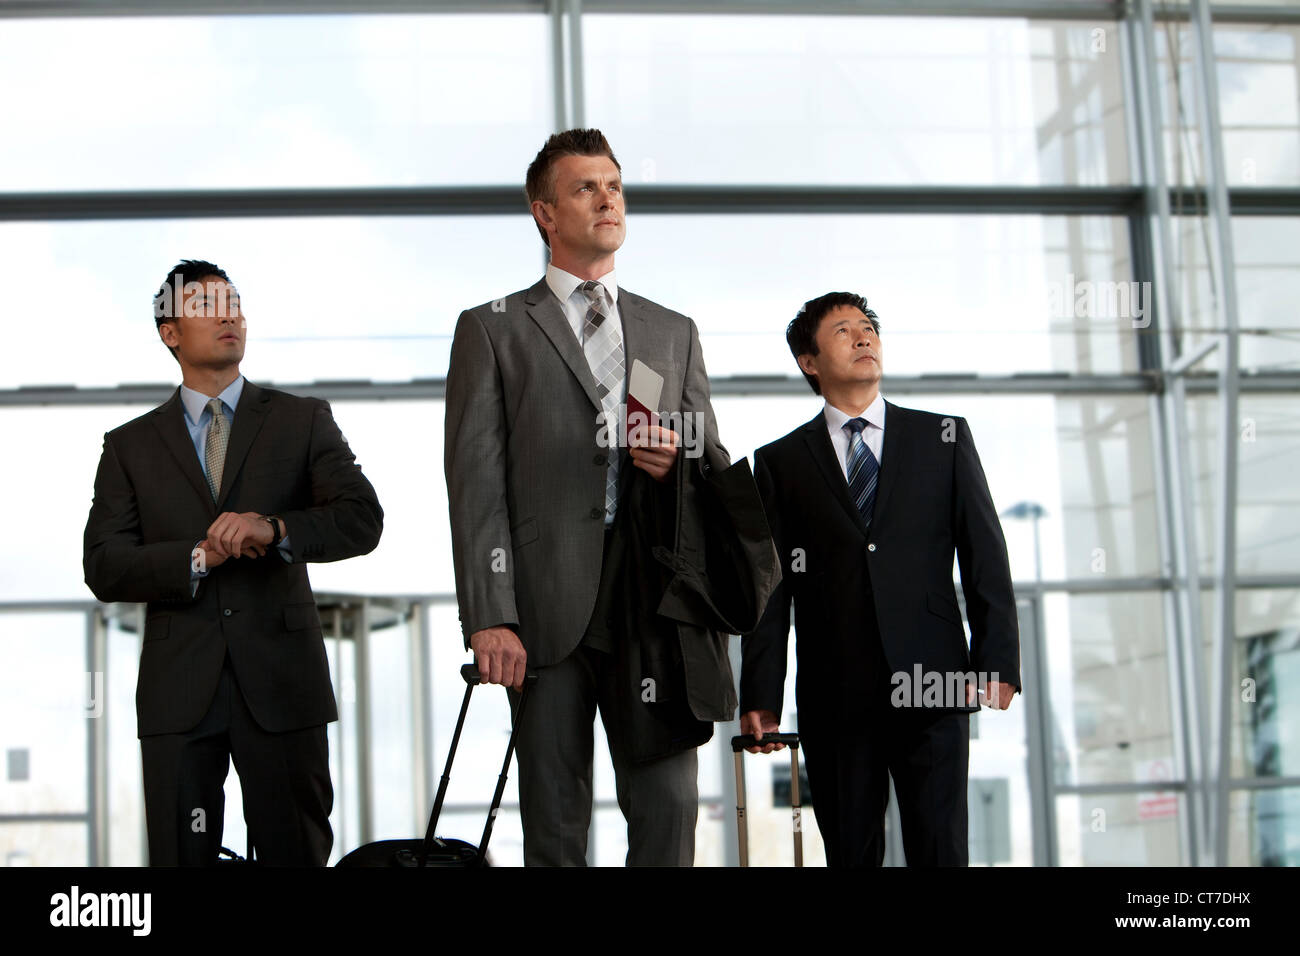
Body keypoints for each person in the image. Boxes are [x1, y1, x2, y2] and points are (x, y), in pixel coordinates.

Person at [444, 128, 767, 866]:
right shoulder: (492, 329)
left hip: (657, 602)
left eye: (615, 185)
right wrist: (489, 615)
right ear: (544, 213)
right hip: (543, 607)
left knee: (670, 811)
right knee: (555, 824)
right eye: (586, 187)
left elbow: (712, 461)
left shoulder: (672, 330)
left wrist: (676, 459)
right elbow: (474, 483)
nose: (607, 198)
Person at [82, 259, 383, 865]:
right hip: (179, 691)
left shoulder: (302, 419)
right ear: (170, 333)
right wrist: (196, 556)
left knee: (295, 853)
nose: (230, 317)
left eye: (235, 305)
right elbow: (104, 564)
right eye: (207, 306)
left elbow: (361, 518)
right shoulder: (129, 446)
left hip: (283, 682)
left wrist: (274, 528)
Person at [739, 291, 1020, 867]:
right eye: (843, 331)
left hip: (935, 681)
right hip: (835, 693)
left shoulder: (944, 438)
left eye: (868, 327)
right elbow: (770, 590)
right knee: (851, 853)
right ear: (809, 361)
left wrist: (997, 661)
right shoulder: (779, 463)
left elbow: (986, 556)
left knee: (940, 850)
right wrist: (762, 696)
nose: (863, 337)